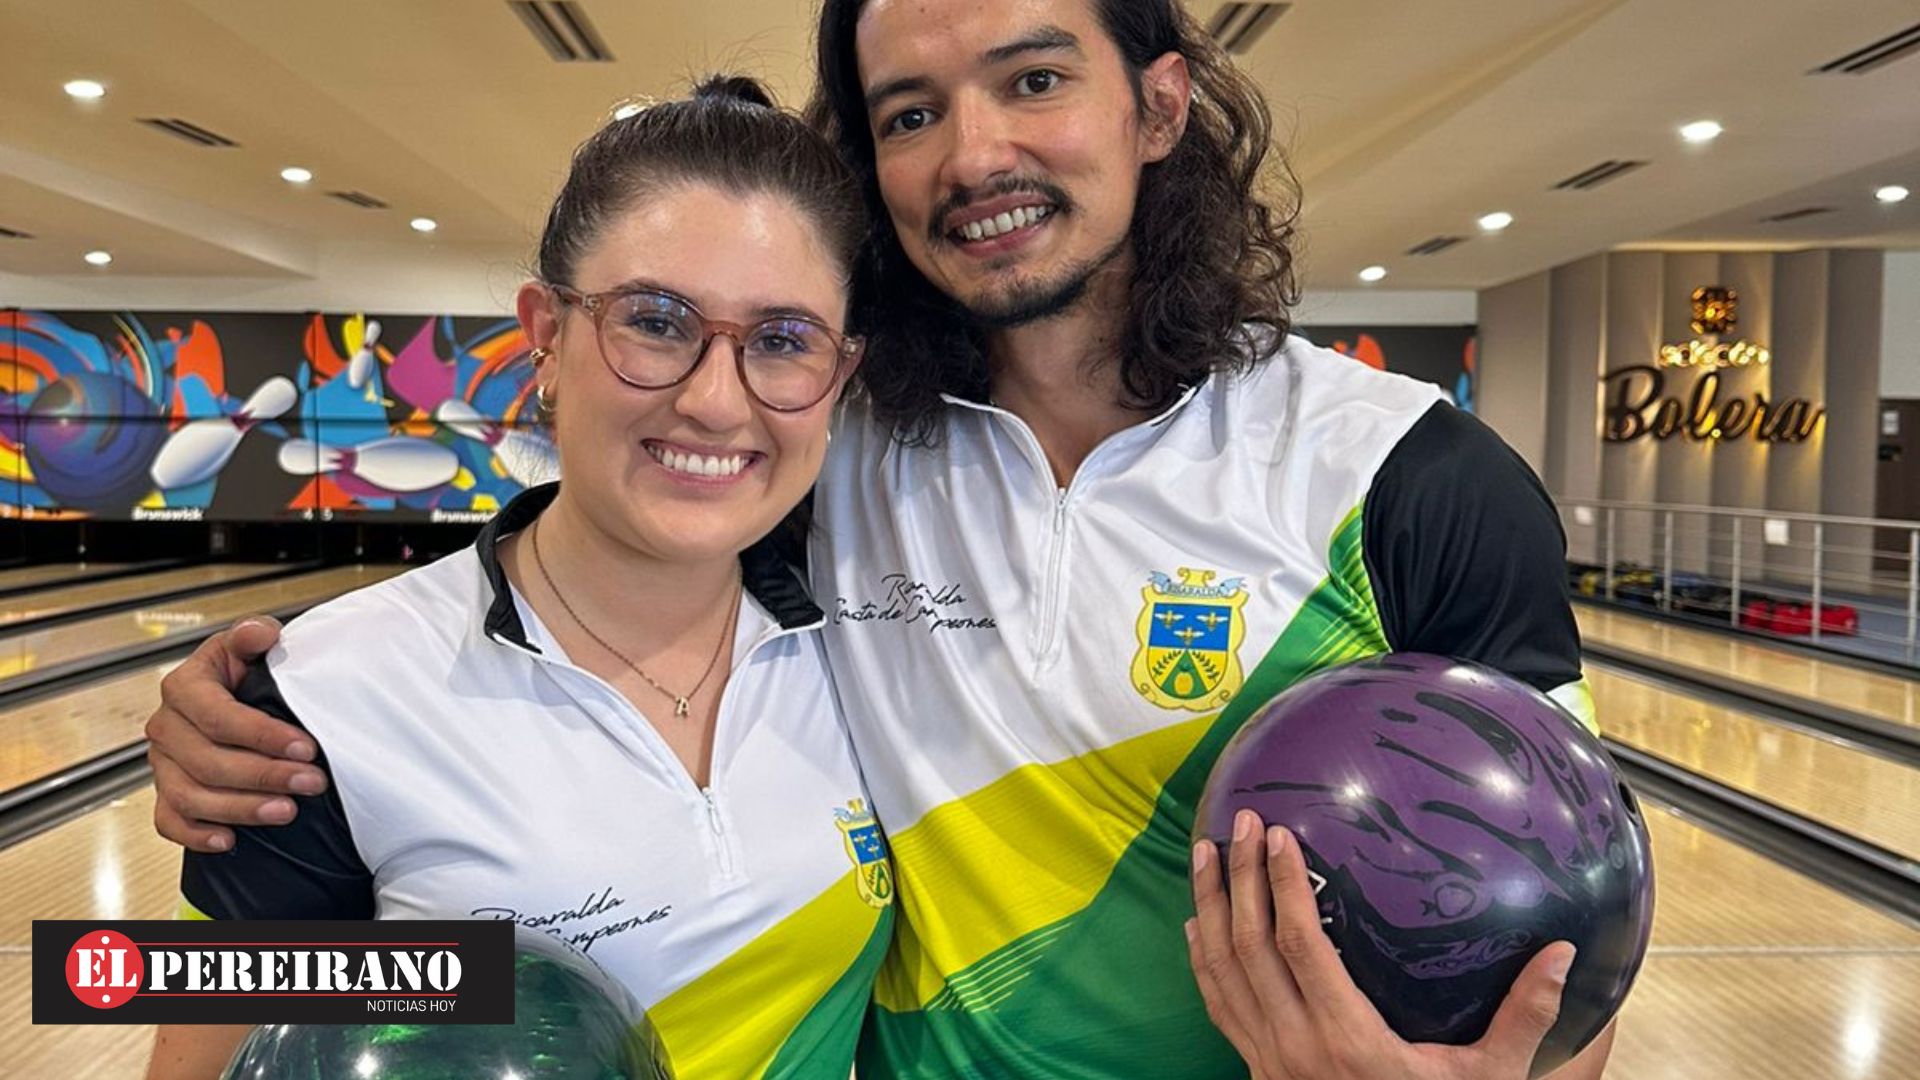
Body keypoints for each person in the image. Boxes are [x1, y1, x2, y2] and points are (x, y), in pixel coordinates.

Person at [146, 2, 1617, 1077]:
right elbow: (575, 575)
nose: (974, 153)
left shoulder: (1414, 477)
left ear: (1159, 106)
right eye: (910, 112)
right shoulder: (830, 466)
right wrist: (285, 706)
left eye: (1034, 78)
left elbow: (1575, 936)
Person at [143, 76, 892, 1080]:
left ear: (838, 376)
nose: (718, 401)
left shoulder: (876, 642)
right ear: (546, 333)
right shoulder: (321, 699)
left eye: (783, 341)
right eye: (657, 322)